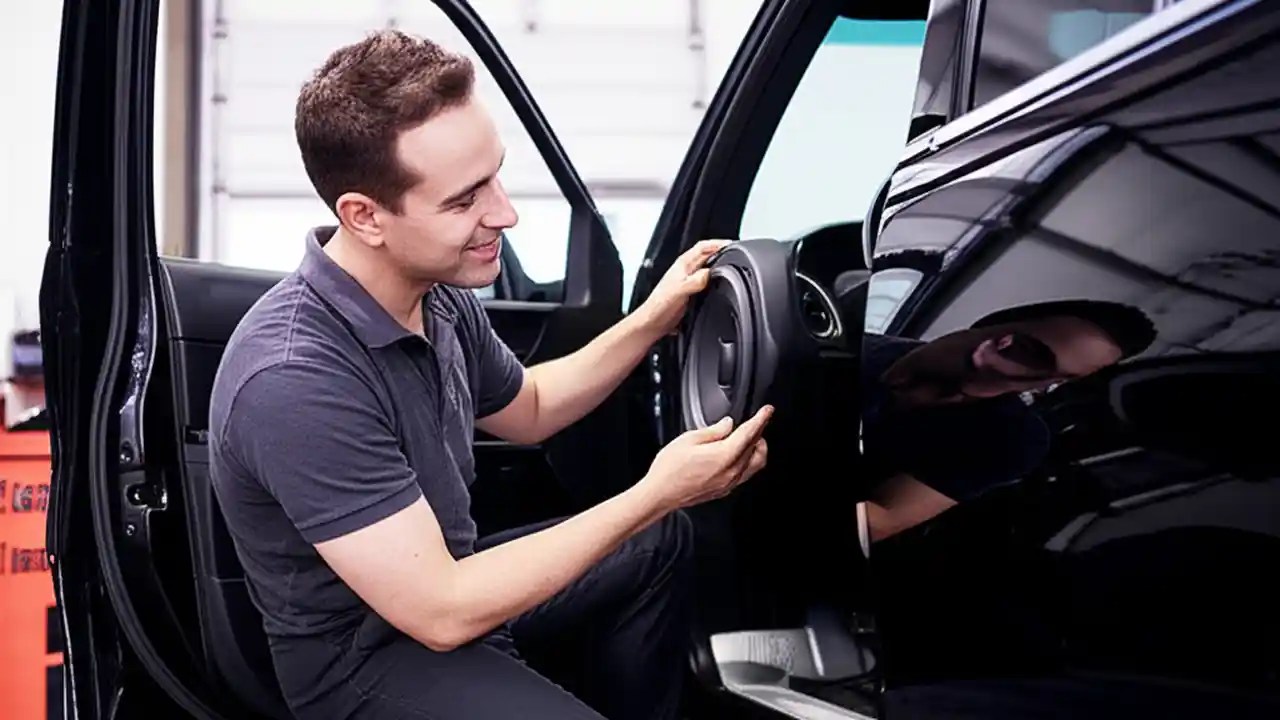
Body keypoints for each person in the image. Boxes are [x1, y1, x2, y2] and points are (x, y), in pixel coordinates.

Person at [207, 30, 772, 720]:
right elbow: (442, 612)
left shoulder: (434, 295)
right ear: (364, 216)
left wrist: (652, 321)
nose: (503, 213)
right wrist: (657, 490)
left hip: (454, 596)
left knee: (659, 545)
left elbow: (530, 406)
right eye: (464, 200)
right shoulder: (293, 378)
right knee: (652, 517)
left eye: (495, 176)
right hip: (367, 661)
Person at [858, 299, 1156, 543]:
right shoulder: (862, 348)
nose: (1031, 379)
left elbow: (880, 521)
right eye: (1027, 351)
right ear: (996, 327)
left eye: (1057, 376)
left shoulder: (1008, 438)